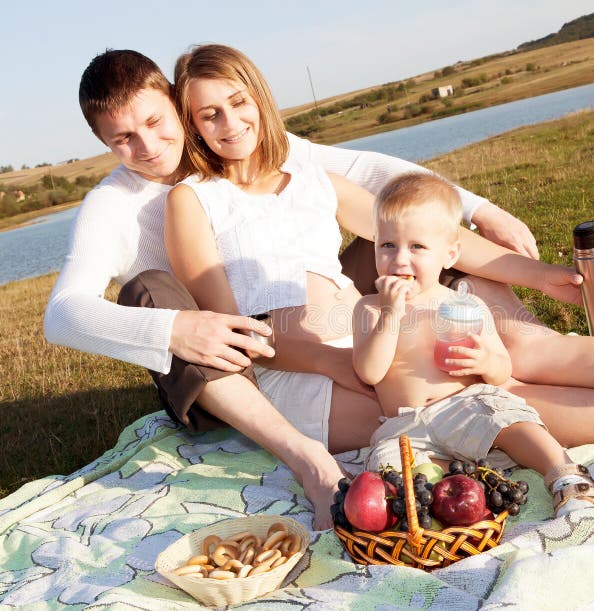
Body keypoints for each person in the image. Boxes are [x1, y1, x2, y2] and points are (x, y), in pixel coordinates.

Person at [42, 49, 540, 529]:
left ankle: (522, 345)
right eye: (122, 139)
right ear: (104, 143)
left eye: (155, 123)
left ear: (179, 105)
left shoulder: (237, 141)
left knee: (402, 242)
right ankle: (307, 459)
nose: (147, 147)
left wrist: (478, 210)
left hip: (306, 323)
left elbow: (369, 170)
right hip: (220, 366)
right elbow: (63, 314)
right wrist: (178, 327)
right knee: (148, 291)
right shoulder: (113, 205)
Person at [353, 173, 594, 517]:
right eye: (388, 245)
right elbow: (368, 371)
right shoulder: (369, 308)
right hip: (405, 426)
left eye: (417, 247)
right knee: (386, 469)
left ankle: (565, 476)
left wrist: (486, 361)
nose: (400, 259)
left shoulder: (464, 305)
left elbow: (502, 369)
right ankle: (458, 490)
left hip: (464, 407)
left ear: (450, 253)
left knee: (508, 416)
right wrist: (390, 315)